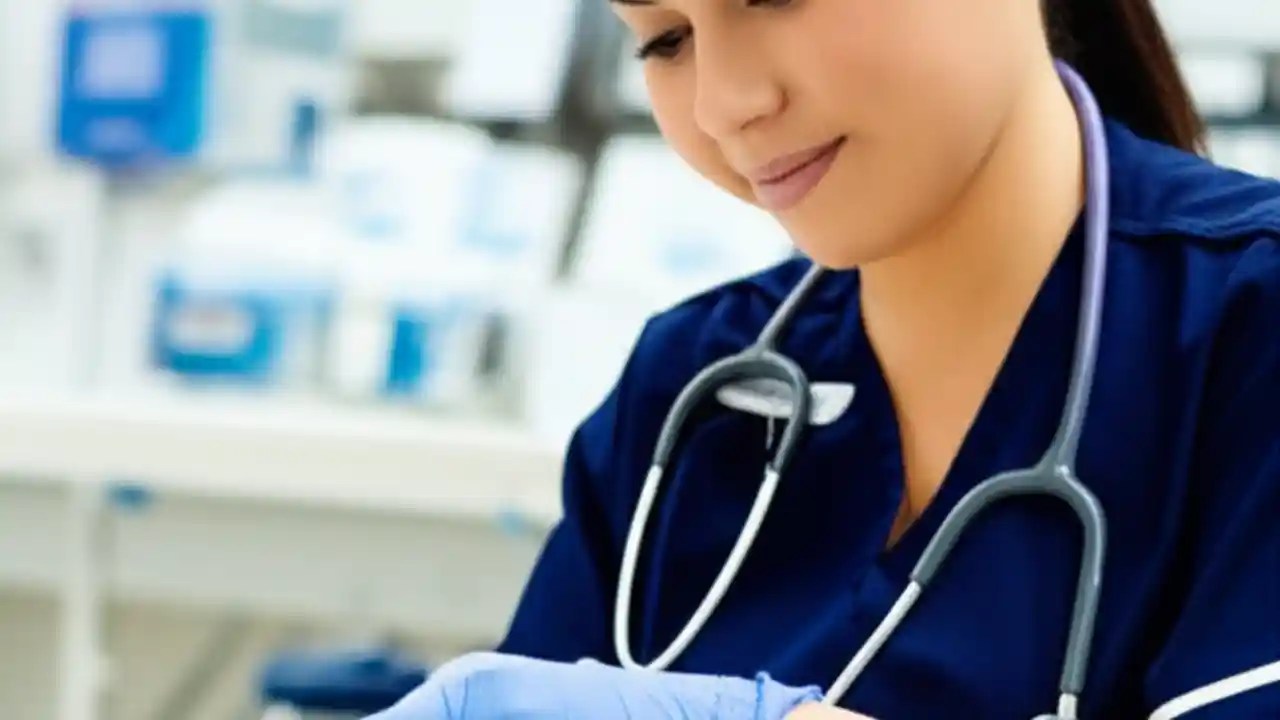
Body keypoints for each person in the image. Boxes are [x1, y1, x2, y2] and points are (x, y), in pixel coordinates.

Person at [370, 0, 1280, 717]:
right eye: (667, 39)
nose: (727, 103)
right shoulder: (689, 393)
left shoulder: (1248, 328)